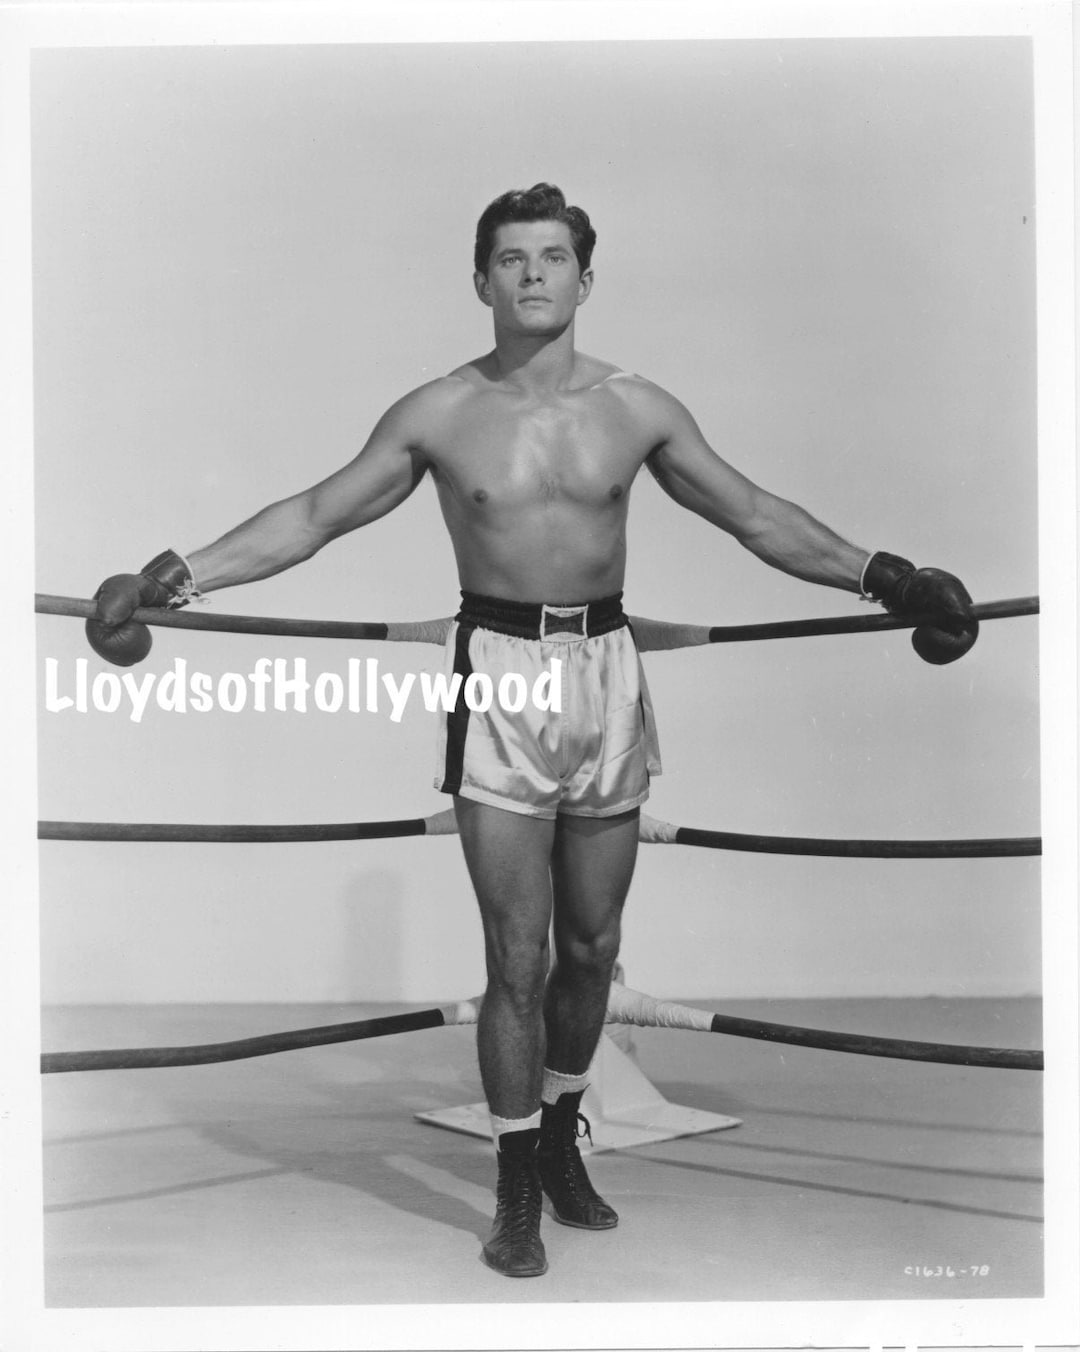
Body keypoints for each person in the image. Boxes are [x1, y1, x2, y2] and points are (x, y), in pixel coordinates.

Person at [86, 183, 978, 1278]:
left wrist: (884, 577)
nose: (533, 275)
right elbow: (314, 514)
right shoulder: (438, 413)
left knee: (592, 946)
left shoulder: (638, 408)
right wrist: (176, 576)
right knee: (517, 954)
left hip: (606, 672)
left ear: (585, 279)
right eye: (510, 259)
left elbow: (754, 513)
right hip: (497, 680)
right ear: (480, 281)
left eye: (552, 257)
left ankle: (560, 1137)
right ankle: (513, 1185)